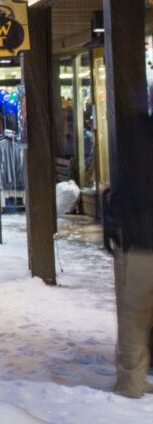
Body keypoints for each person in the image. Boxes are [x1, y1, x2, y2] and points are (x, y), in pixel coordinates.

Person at [105, 115, 153, 398]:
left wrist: (115, 219)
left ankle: (131, 382)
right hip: (140, 236)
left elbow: (126, 190)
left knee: (134, 316)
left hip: (140, 241)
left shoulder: (137, 136)